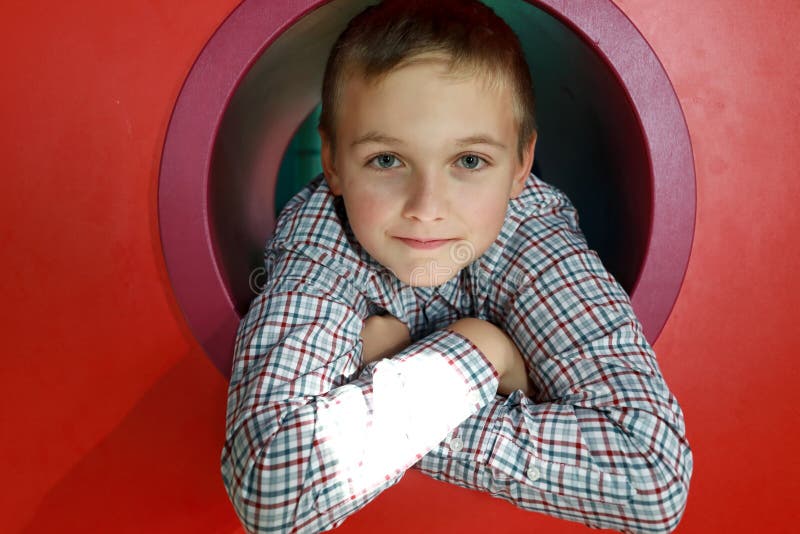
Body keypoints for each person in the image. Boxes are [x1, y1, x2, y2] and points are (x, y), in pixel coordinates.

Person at [220, 1, 693, 532]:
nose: (427, 206)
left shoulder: (532, 237)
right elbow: (269, 490)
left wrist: (417, 366)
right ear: (332, 163)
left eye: (469, 161)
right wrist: (483, 356)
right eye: (386, 160)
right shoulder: (321, 241)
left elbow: (652, 478)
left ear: (519, 167)